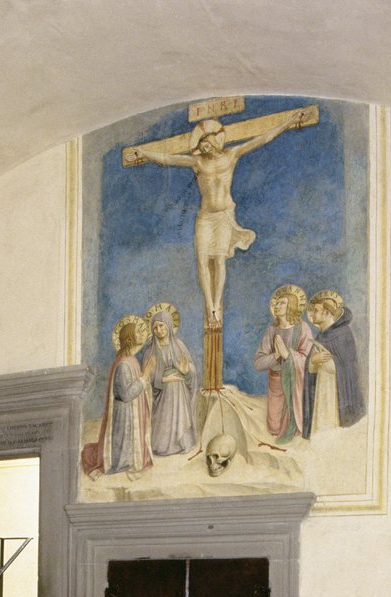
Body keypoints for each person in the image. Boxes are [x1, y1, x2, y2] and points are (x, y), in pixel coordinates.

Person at [129, 112, 304, 325]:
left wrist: (288, 122)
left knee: (219, 260)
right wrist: (144, 152)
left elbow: (261, 139)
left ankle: (216, 306)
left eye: (207, 142)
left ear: (215, 140)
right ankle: (210, 305)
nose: (205, 147)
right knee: (202, 260)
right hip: (205, 217)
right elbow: (169, 159)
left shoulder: (232, 155)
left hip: (223, 216)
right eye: (201, 144)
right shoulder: (198, 163)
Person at [81, 316, 153, 479]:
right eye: (138, 332)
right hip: (124, 416)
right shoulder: (123, 364)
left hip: (131, 414)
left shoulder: (132, 360)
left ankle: (132, 461)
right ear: (130, 338)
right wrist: (144, 377)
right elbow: (126, 394)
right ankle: (121, 463)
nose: (142, 334)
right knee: (122, 452)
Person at [253, 285, 313, 442]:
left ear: (291, 306)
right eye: (277, 303)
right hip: (276, 383)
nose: (277, 306)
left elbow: (308, 360)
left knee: (295, 431)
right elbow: (258, 363)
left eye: (282, 303)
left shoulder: (303, 329)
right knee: (275, 427)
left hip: (296, 384)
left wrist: (288, 355)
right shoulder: (272, 330)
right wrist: (276, 355)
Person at [303, 290, 366, 435]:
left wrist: (327, 363)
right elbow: (311, 370)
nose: (313, 314)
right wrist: (313, 361)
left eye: (316, 310)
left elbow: (348, 367)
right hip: (321, 390)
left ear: (326, 313)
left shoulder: (343, 334)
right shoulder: (320, 337)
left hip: (336, 394)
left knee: (334, 432)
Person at [141, 304, 198, 456]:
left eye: (161, 326)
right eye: (155, 328)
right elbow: (146, 377)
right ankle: (163, 445)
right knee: (173, 385)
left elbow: (191, 369)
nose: (158, 330)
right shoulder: (150, 350)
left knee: (177, 384)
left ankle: (181, 442)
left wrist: (185, 370)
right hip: (161, 394)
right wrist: (164, 379)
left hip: (179, 393)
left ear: (169, 326)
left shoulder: (179, 345)